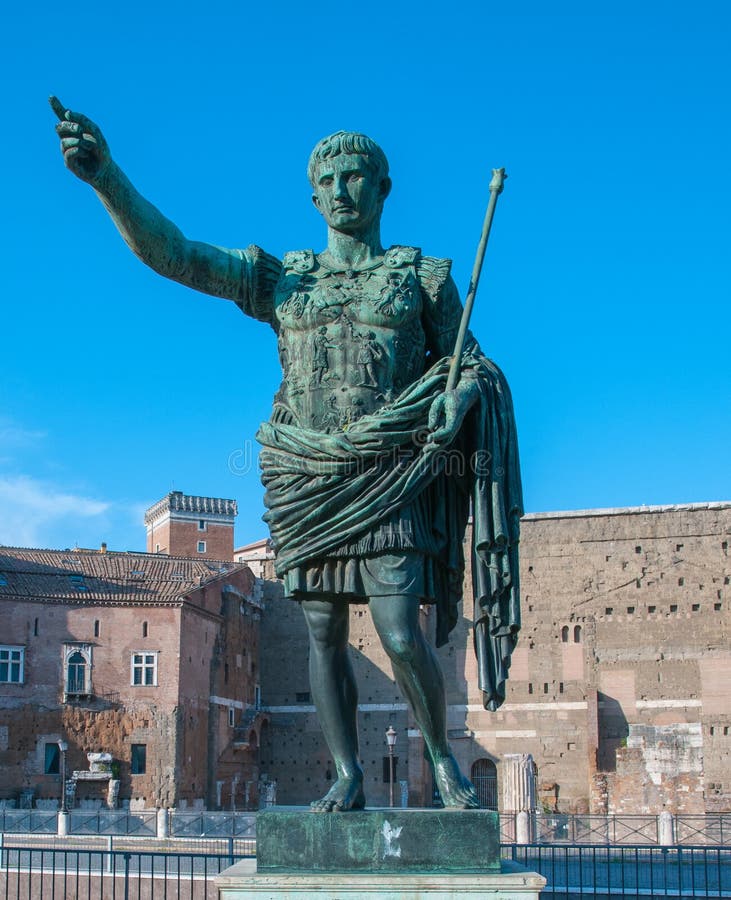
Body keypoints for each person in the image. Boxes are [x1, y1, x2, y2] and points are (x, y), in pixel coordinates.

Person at [53, 101, 523, 812]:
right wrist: (107, 179)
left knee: (399, 630)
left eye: (356, 176)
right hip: (305, 473)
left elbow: (470, 365)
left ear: (382, 187)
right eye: (328, 179)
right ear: (313, 195)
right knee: (323, 631)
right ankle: (346, 775)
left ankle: (440, 760)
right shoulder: (283, 279)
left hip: (390, 475)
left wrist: (458, 399)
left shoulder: (421, 279)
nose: (342, 190)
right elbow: (177, 255)